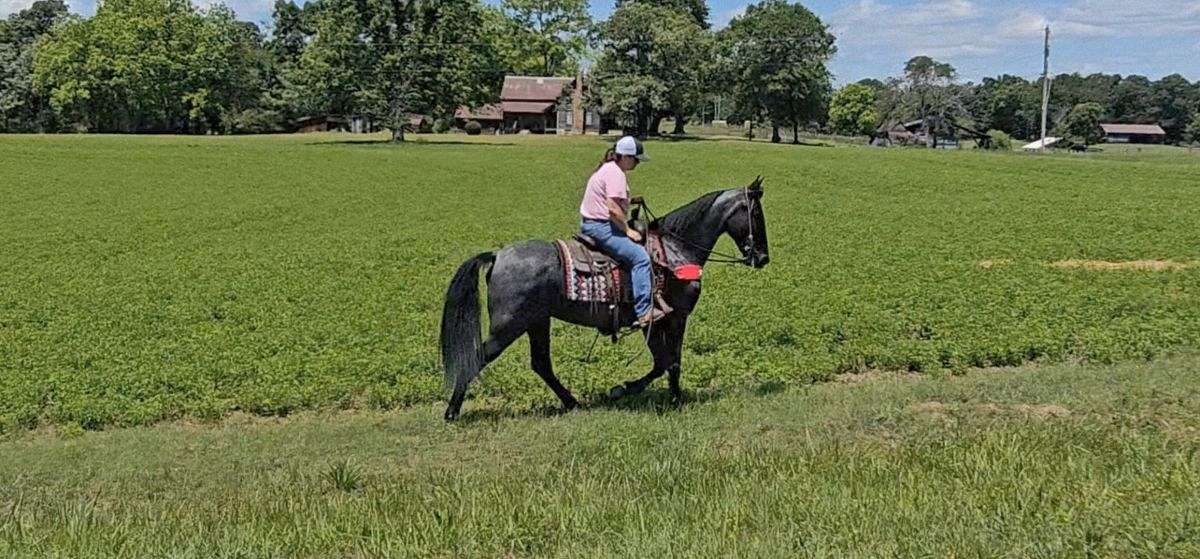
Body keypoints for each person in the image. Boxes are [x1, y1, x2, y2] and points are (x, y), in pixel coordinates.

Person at [579, 136, 664, 328]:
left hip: (591, 223)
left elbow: (611, 200)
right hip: (601, 227)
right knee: (641, 258)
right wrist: (627, 230)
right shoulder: (616, 173)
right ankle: (643, 312)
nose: (637, 164)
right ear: (625, 157)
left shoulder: (607, 168)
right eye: (636, 159)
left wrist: (630, 201)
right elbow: (612, 208)